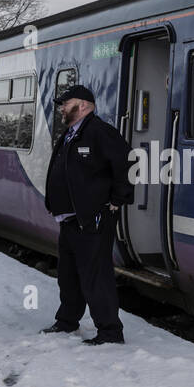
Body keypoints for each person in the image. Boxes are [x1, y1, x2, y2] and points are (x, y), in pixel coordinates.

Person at [42, 84, 132, 344]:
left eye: (65, 103)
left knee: (96, 276)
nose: (60, 108)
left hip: (92, 219)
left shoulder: (100, 133)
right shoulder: (71, 134)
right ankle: (67, 321)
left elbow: (127, 164)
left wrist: (116, 201)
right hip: (70, 220)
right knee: (68, 275)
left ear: (82, 105)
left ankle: (109, 331)